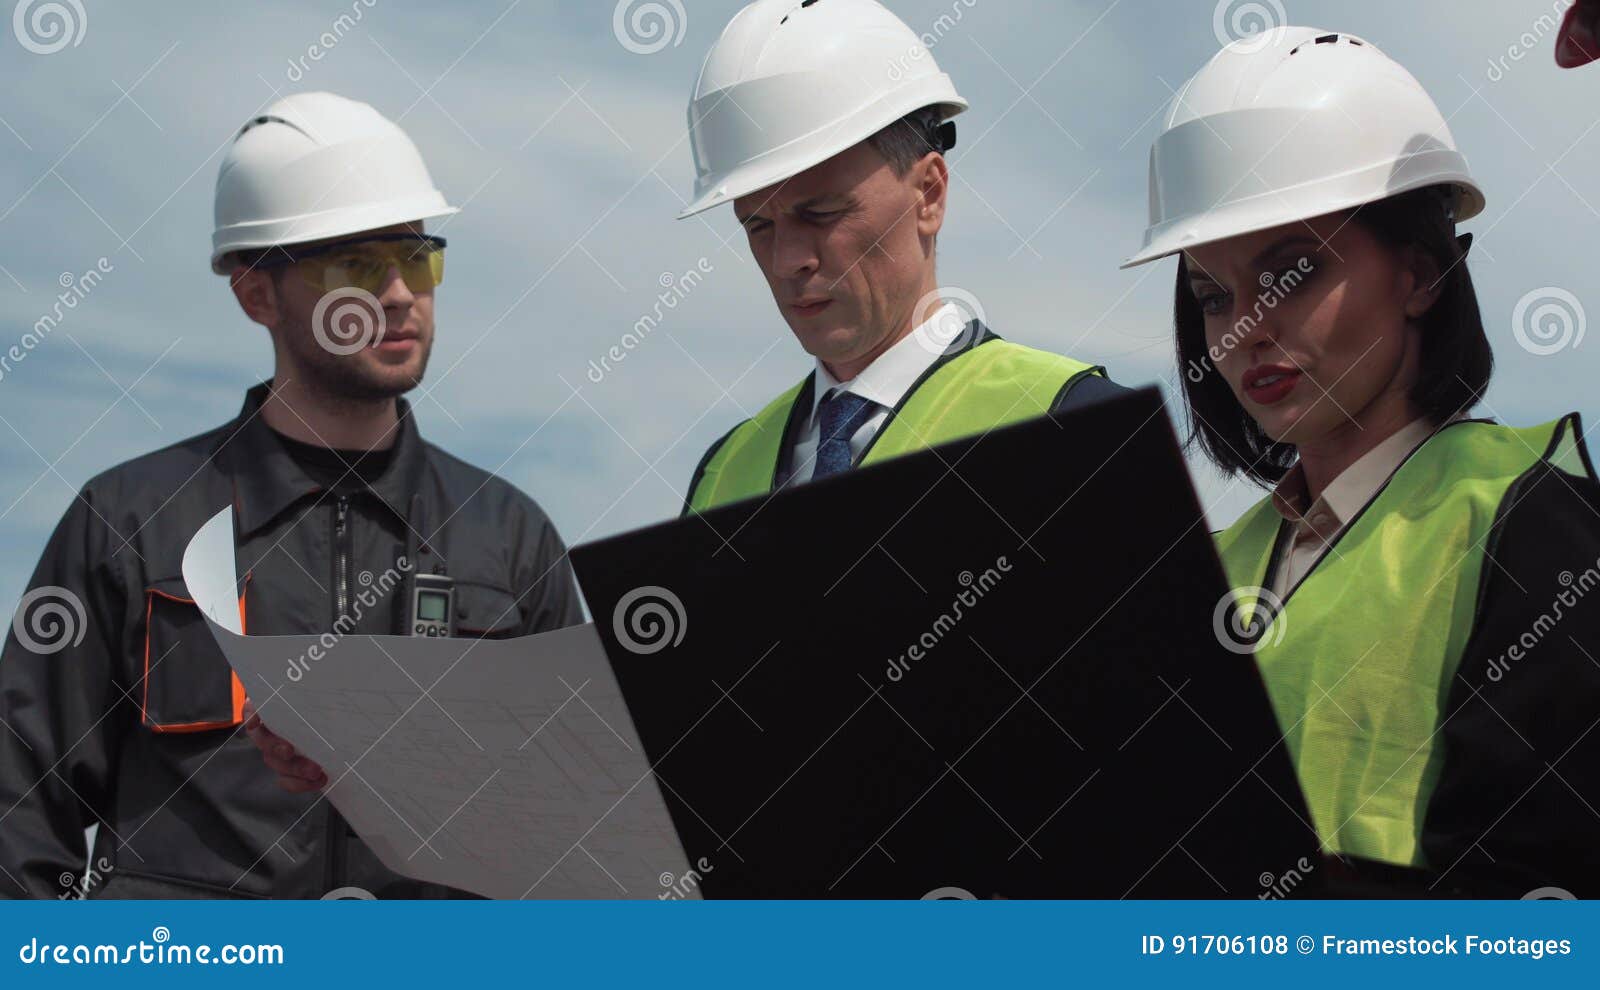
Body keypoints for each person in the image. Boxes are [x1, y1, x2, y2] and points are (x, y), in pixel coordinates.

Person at [0, 92, 582, 899]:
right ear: (257, 295)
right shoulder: (130, 523)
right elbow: (20, 814)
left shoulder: (509, 537)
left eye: (417, 257)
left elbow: (570, 829)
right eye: (355, 265)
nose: (399, 293)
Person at [1124, 26, 1600, 897]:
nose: (1245, 326)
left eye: (1292, 272)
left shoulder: (1533, 521)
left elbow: (1549, 916)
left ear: (1420, 274)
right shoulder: (1204, 569)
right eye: (1211, 295)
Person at [678, 0, 1128, 514]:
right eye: (757, 225)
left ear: (929, 194)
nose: (786, 261)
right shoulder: (722, 474)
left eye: (821, 213)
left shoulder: (1079, 429)